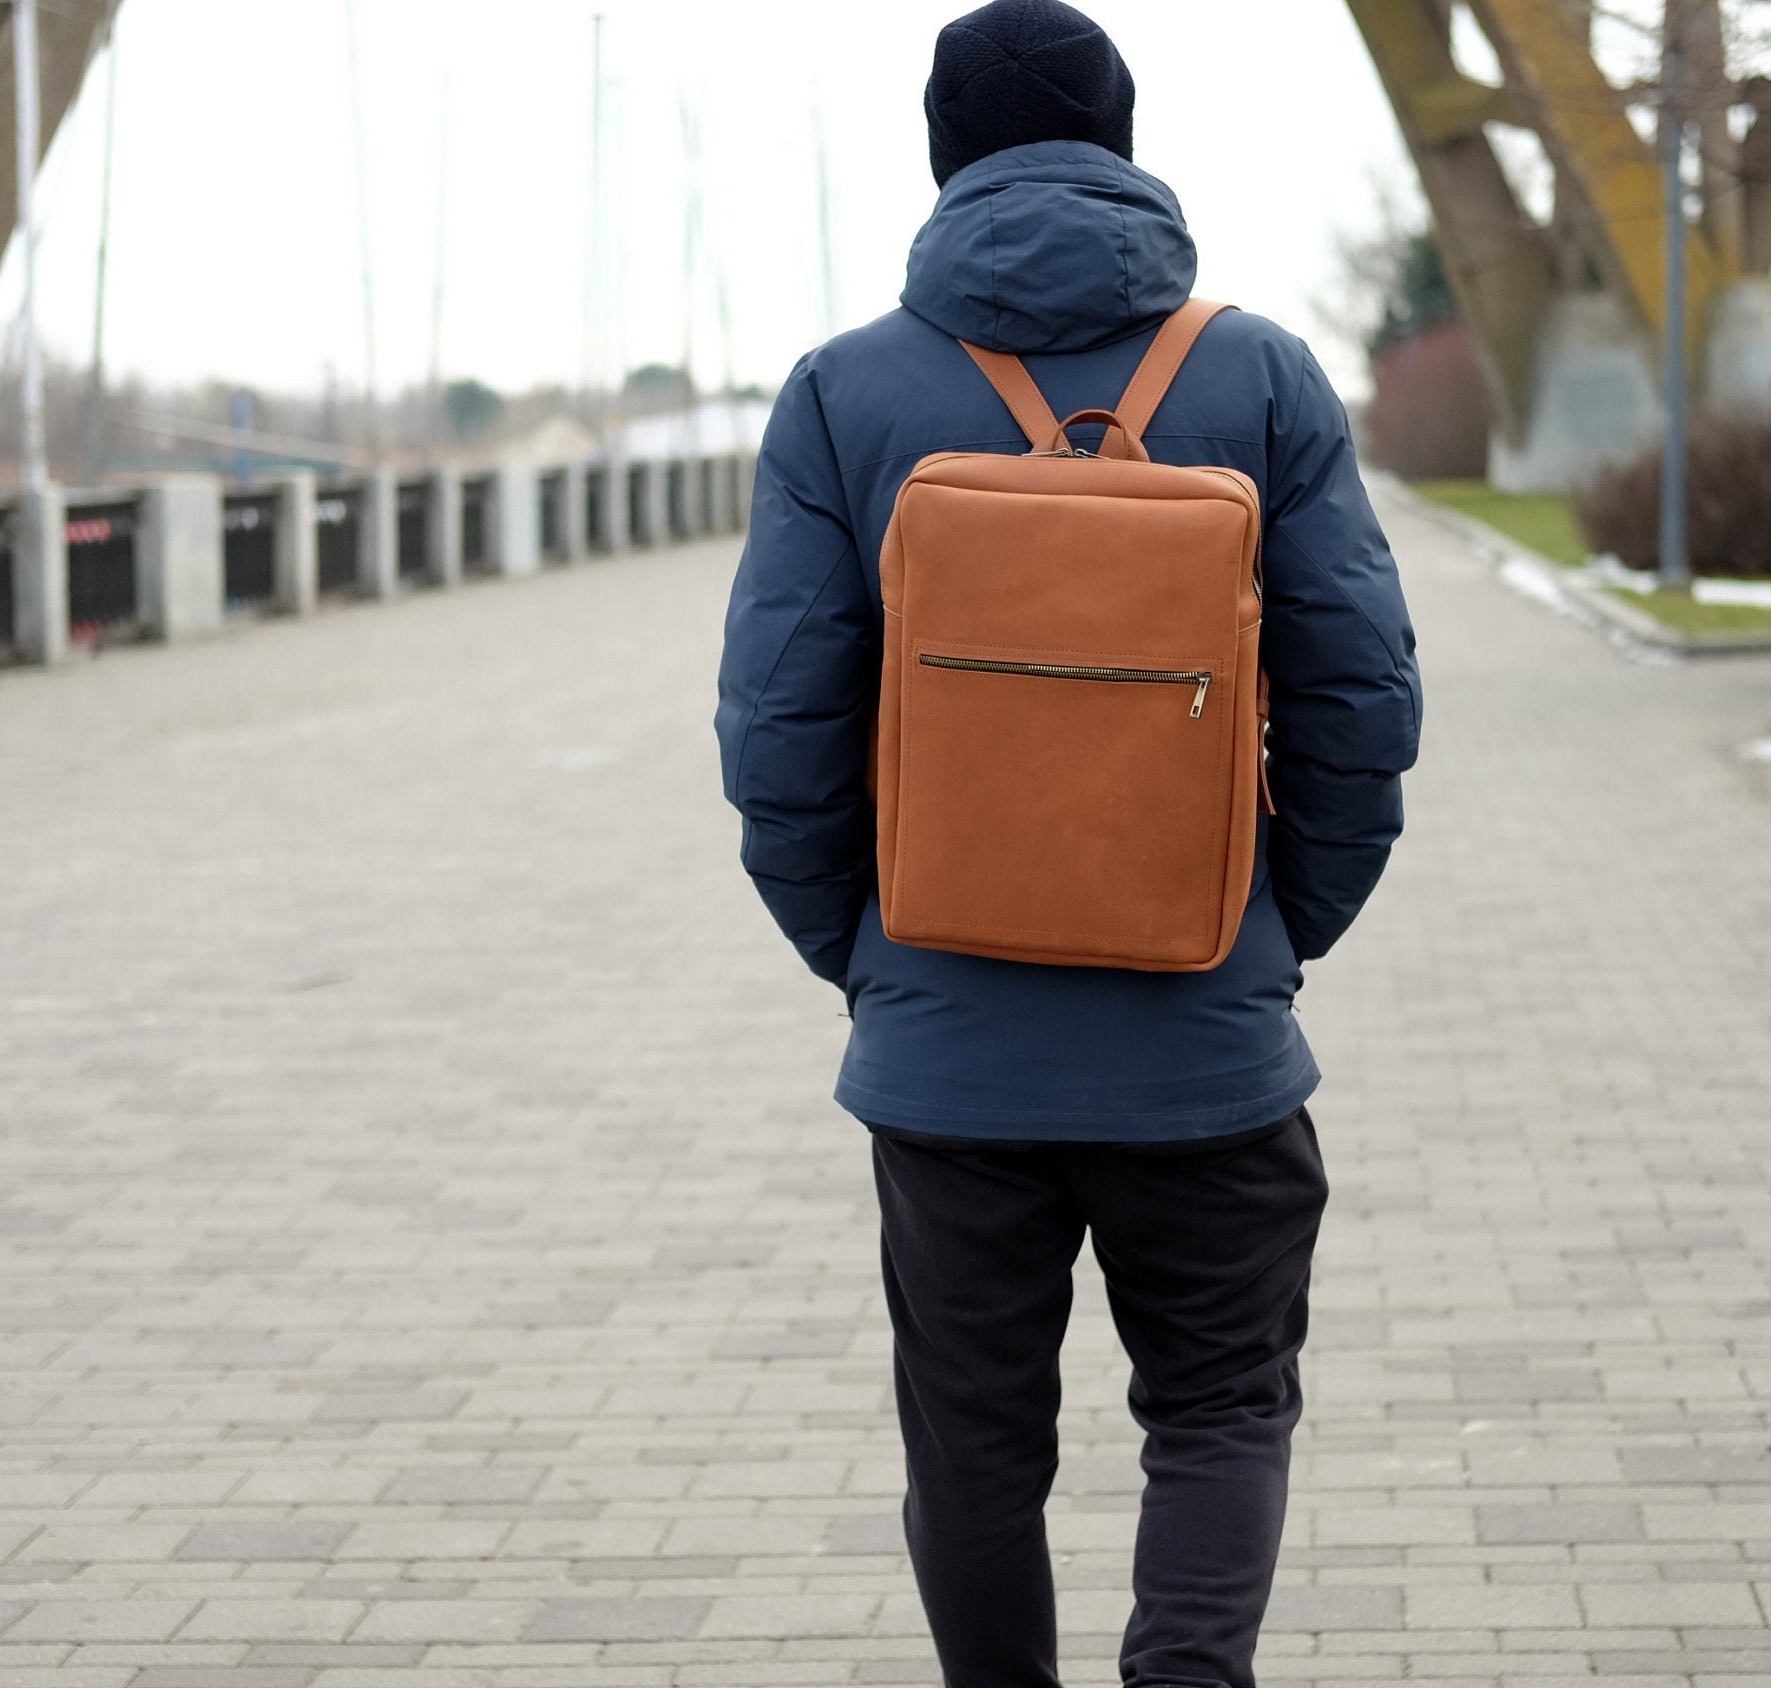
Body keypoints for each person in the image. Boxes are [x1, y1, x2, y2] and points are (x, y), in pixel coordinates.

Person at [714, 2, 1420, 1683]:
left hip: (949, 1062)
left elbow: (778, 735)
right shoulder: (1258, 373)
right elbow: (1365, 704)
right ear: (1121, 143)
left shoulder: (845, 394)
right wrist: (1260, 926)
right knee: (1223, 1409)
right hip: (1207, 1056)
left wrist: (875, 956)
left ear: (944, 156)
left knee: (972, 1456)